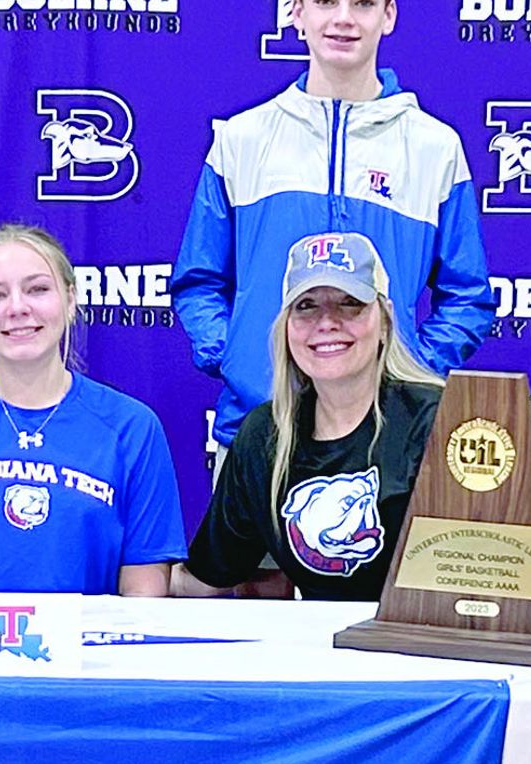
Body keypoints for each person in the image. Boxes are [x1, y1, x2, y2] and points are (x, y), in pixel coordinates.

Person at [171, 0, 489, 471]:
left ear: (389, 16)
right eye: (325, 1)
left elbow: (467, 295)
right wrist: (237, 359)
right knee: (237, 562)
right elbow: (198, 281)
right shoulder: (242, 139)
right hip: (257, 427)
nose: (343, 19)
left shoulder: (435, 147)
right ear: (296, 13)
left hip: (387, 437)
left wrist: (408, 373)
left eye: (363, 3)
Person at [0, 224, 184, 595]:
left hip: (95, 653)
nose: (18, 308)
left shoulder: (132, 430)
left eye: (38, 289)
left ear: (71, 300)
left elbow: (143, 611)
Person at [173, 231, 443, 601]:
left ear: (384, 321)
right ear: (285, 328)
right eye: (306, 306)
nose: (327, 322)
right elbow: (205, 577)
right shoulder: (265, 436)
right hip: (322, 651)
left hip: (425, 648)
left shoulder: (437, 421)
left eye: (350, 302)